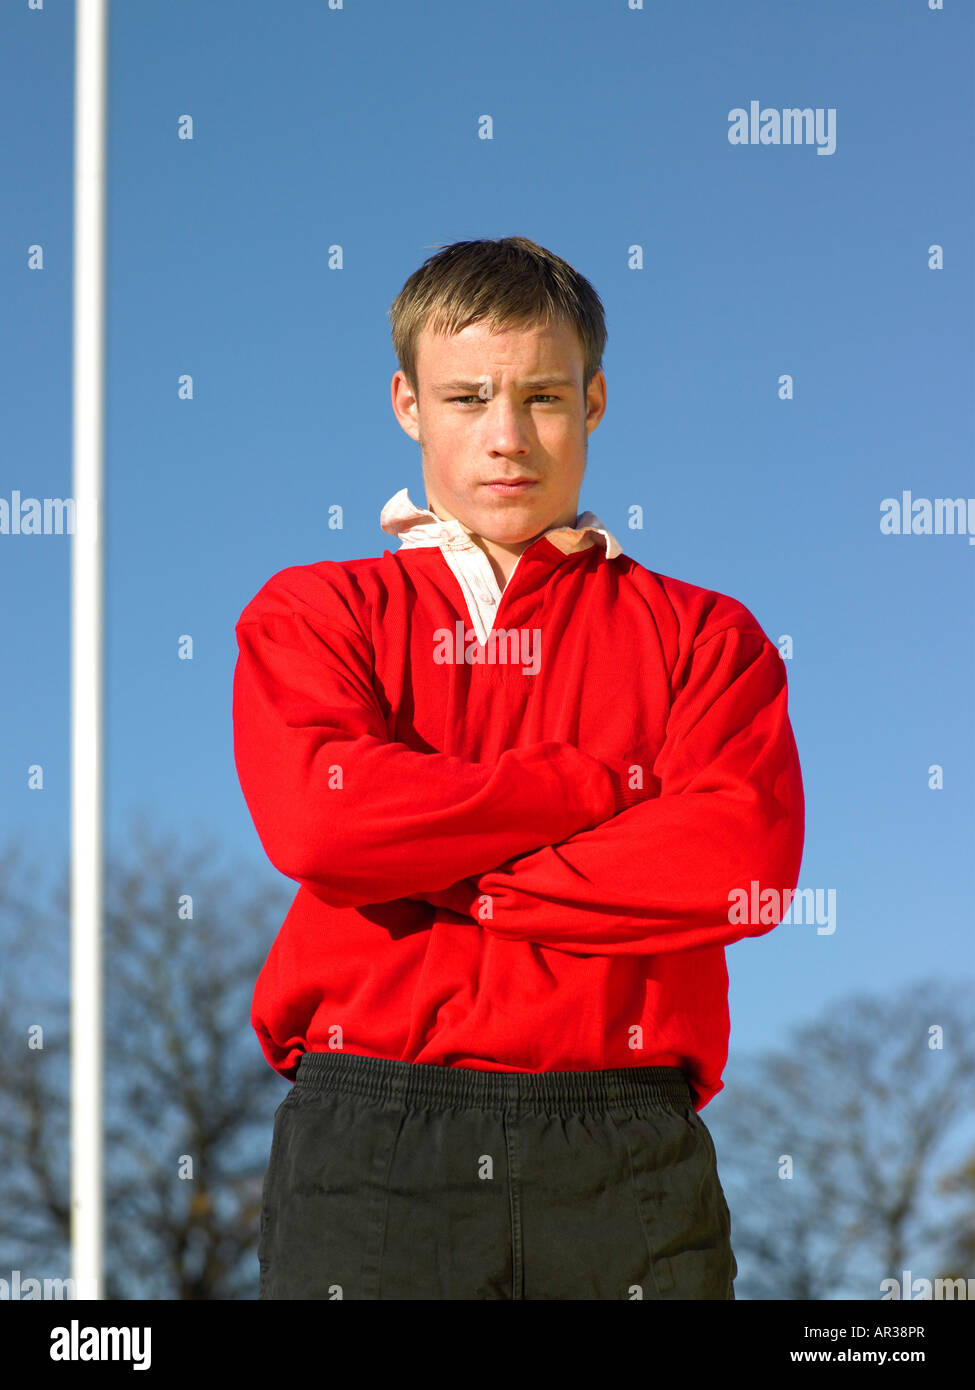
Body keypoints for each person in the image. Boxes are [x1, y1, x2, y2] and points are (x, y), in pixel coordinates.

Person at [232, 235, 805, 1300]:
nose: (506, 437)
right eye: (468, 397)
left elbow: (740, 863)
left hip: (626, 1137)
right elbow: (325, 827)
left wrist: (442, 869)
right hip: (374, 1136)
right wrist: (594, 789)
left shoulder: (706, 636)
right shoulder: (315, 612)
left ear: (593, 402)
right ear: (408, 403)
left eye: (542, 396)